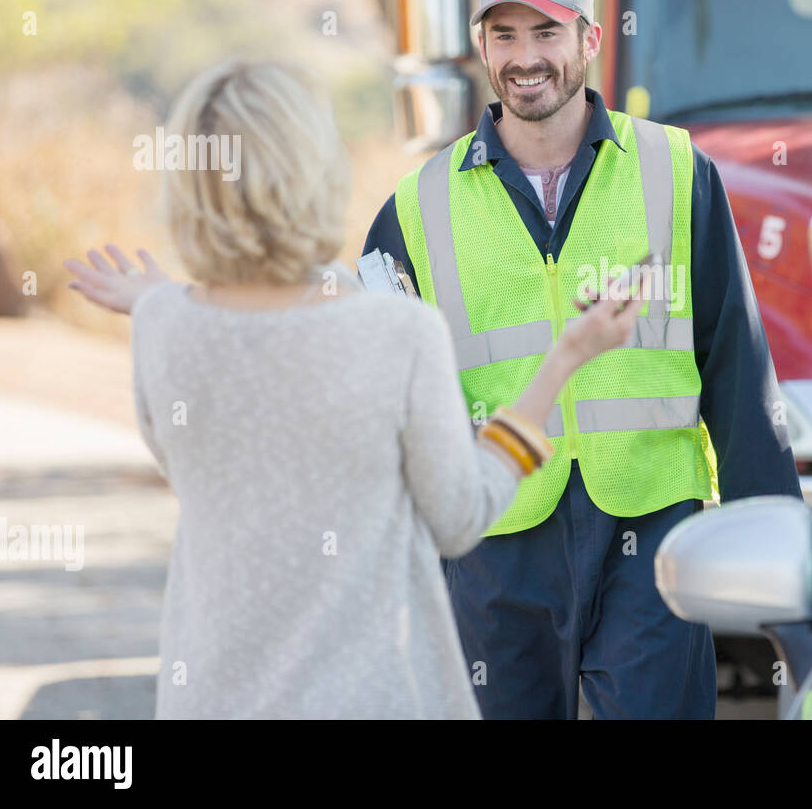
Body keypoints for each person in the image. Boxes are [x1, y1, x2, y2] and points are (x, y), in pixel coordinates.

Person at [64, 58, 645, 718]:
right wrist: (563, 360)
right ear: (313, 173)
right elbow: (460, 515)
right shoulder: (396, 335)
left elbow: (242, 373)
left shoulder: (162, 327)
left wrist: (164, 297)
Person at [361, 0, 801, 719]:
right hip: (495, 538)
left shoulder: (675, 169)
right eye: (503, 36)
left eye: (546, 33)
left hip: (652, 525)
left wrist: (781, 556)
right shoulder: (415, 206)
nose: (526, 58)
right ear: (483, 50)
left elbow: (734, 364)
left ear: (590, 40)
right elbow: (375, 388)